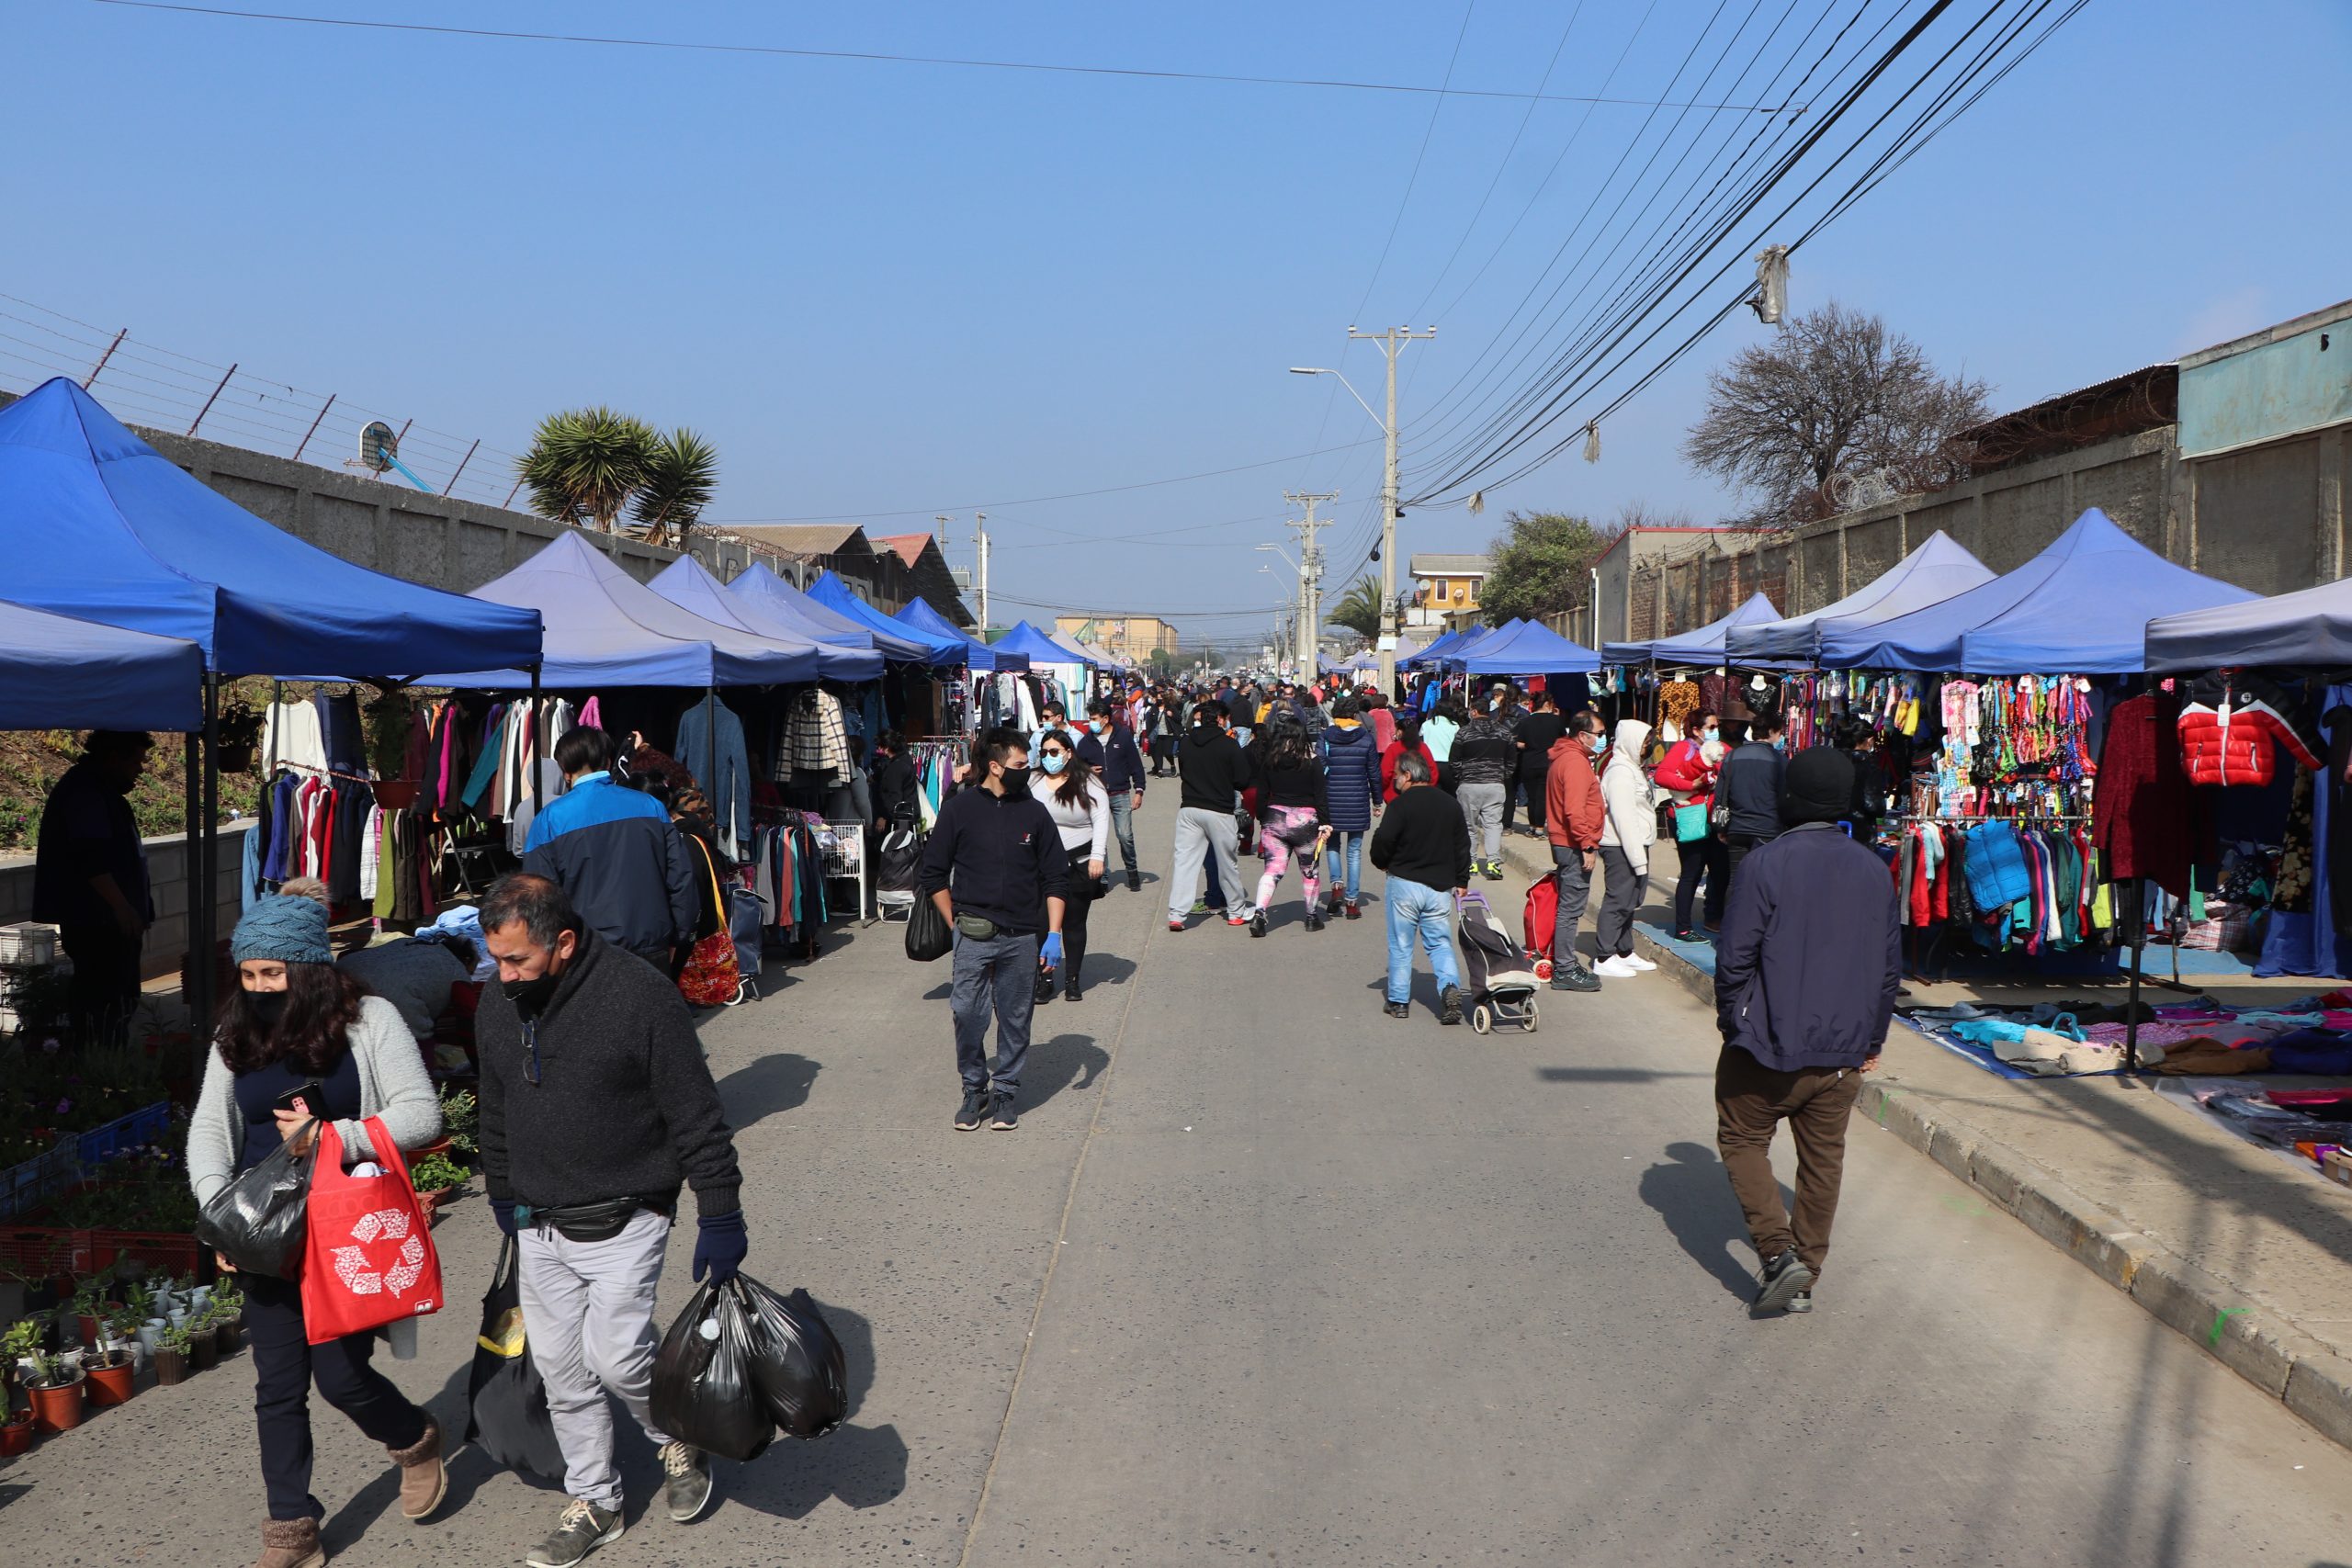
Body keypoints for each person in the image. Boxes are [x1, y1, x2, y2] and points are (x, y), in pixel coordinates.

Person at [475, 873, 747, 1563]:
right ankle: (596, 1497)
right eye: (496, 958)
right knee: (564, 1372)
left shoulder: (639, 995)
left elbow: (696, 1112)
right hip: (539, 1219)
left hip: (629, 1212)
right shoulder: (496, 999)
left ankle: (674, 1440)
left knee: (619, 1356)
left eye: (517, 960)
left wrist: (720, 1213)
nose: (503, 975)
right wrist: (503, 1190)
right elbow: (495, 1103)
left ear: (562, 942)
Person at [186, 894, 446, 1568]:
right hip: (265, 1232)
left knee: (342, 1377)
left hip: (344, 1228)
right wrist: (222, 1216)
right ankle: (292, 1527)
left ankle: (414, 1438)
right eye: (249, 975)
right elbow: (212, 1131)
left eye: (273, 974)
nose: (259, 989)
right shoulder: (234, 1034)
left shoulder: (369, 1021)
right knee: (277, 1384)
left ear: (309, 970)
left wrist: (333, 1136)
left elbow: (421, 1114)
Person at [1713, 748, 1900, 1316]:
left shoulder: (1765, 863)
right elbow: (1889, 968)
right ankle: (1806, 1274)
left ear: (1787, 798)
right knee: (1823, 1161)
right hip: (1843, 1053)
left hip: (1767, 1045)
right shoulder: (1873, 868)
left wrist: (1732, 1021)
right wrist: (1871, 1042)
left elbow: (1733, 959)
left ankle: (1777, 1255)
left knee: (1742, 1138)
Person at [920, 728, 1069, 1131]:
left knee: (1016, 1018)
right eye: (1021, 765)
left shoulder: (1034, 812)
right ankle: (974, 1088)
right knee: (967, 1013)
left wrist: (1053, 934)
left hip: (1023, 935)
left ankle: (1005, 1091)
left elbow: (1056, 877)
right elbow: (932, 873)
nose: (1028, 771)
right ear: (995, 766)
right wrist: (956, 924)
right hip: (973, 933)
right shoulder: (959, 810)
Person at [524, 727, 696, 974]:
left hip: (585, 955)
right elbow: (681, 879)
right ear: (607, 761)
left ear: (565, 771)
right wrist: (677, 937)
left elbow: (540, 900)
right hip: (651, 945)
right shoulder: (651, 807)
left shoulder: (548, 821)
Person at [32, 729, 154, 1042]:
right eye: (136, 761)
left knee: (117, 1001)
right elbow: (91, 858)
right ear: (114, 758)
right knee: (103, 1005)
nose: (140, 769)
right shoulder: (84, 793)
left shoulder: (102, 791)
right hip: (99, 922)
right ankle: (101, 1073)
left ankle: (108, 1064)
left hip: (111, 920)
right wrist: (123, 907)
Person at [1369, 751, 1471, 1024]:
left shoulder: (1401, 805)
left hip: (1404, 883)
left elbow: (1384, 839)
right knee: (1439, 943)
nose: (1394, 780)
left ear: (1409, 775)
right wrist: (1462, 880)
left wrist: (1380, 861)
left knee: (1401, 944)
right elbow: (1462, 845)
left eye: (1397, 775)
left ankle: (1399, 1001)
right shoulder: (1450, 804)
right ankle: (1450, 987)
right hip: (1439, 887)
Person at [1035, 729, 1109, 1002]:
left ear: (1068, 753)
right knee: (1041, 922)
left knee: (1074, 922)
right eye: (1043, 752)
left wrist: (1098, 856)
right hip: (1041, 863)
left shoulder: (1088, 781)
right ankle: (1045, 978)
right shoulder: (1034, 780)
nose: (1048, 757)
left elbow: (1101, 818)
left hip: (1079, 861)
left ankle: (1073, 979)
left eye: (1054, 752)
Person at [1170, 700, 1250, 931]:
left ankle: (1176, 915)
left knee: (1185, 862)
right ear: (1220, 719)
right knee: (1227, 863)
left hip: (1189, 809)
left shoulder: (1186, 743)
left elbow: (1184, 771)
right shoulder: (1228, 745)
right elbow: (1242, 780)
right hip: (1219, 810)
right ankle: (1236, 911)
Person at [1248, 713, 1331, 936]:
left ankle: (1259, 913)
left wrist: (1262, 817)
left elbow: (1262, 792)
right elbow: (1320, 794)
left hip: (1275, 817)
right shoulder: (1311, 760)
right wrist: (1325, 823)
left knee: (1273, 870)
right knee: (1309, 870)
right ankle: (1312, 917)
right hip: (1305, 821)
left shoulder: (1271, 760)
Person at [1544, 710, 1607, 993]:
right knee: (1571, 909)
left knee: (1568, 907)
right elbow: (1574, 810)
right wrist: (1588, 845)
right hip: (1573, 844)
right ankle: (1565, 969)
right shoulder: (1575, 762)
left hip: (1567, 841)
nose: (1603, 739)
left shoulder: (1568, 757)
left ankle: (1564, 963)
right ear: (1583, 735)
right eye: (1600, 734)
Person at [1654, 712, 1731, 942]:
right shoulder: (1682, 749)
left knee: (1720, 871)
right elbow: (1662, 776)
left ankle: (1713, 916)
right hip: (1690, 818)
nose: (1715, 729)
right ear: (1696, 730)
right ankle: (1683, 928)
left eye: (1717, 725)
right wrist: (1692, 784)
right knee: (1692, 873)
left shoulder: (1723, 748)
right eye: (1711, 726)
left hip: (1715, 820)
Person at [1593, 719, 1659, 981]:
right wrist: (1638, 860)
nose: (1648, 746)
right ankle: (1604, 956)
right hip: (1621, 845)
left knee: (1631, 901)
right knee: (1618, 901)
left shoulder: (1634, 768)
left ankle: (1624, 950)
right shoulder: (1620, 772)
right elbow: (1625, 820)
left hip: (1635, 844)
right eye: (1644, 741)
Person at [1318, 694, 1383, 920]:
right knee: (1354, 852)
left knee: (1332, 846)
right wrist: (1377, 800)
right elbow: (1374, 773)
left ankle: (1337, 886)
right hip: (1357, 801)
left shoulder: (1326, 737)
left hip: (1331, 800)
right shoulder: (1365, 739)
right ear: (1355, 715)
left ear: (1336, 714)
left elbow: (1320, 767)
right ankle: (1352, 902)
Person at [1081, 697, 1148, 891]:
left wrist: (1139, 790)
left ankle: (1132, 871)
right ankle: (1102, 878)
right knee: (1099, 838)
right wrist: (1087, 771)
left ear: (1105, 719)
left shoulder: (1123, 736)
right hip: (1096, 795)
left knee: (1124, 835)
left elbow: (1136, 765)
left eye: (1094, 718)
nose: (1091, 722)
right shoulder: (1087, 741)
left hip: (1120, 793)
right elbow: (1077, 765)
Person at [1718, 710, 1788, 892]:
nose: (1781, 737)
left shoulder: (1732, 756)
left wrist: (1722, 828)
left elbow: (1721, 795)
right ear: (1772, 731)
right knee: (1765, 882)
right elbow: (1784, 797)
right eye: (1780, 732)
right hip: (1768, 830)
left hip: (1737, 828)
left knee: (1736, 881)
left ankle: (1733, 919)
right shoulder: (1779, 761)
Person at [1450, 702, 1518, 882]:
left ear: (1474, 711)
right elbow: (1512, 760)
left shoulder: (1464, 732)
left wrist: (1460, 778)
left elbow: (1454, 760)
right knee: (1493, 825)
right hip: (1495, 784)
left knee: (1469, 825)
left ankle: (1470, 863)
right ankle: (1493, 863)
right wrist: (1503, 776)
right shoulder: (1504, 732)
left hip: (1469, 785)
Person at [1512, 690, 1568, 840]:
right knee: (1543, 796)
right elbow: (1564, 741)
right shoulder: (1556, 721)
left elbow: (1520, 743)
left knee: (1532, 796)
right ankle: (1539, 828)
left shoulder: (1526, 721)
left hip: (1528, 762)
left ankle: (1532, 826)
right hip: (1548, 762)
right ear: (1547, 704)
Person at [1379, 715, 1437, 805]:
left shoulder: (1393, 748)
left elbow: (1385, 774)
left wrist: (1384, 791)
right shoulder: (1423, 748)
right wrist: (1428, 788)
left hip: (1396, 796)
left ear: (1400, 731)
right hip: (1421, 796)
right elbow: (1433, 771)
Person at [870, 730, 921, 830]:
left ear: (887, 748)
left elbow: (894, 796)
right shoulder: (905, 759)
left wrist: (884, 817)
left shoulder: (896, 767)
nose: (878, 749)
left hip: (898, 820)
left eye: (880, 746)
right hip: (906, 815)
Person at [1421, 699, 1461, 793]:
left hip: (1430, 765)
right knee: (1450, 795)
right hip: (1448, 765)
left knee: (1431, 794)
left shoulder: (1426, 725)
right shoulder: (1455, 726)